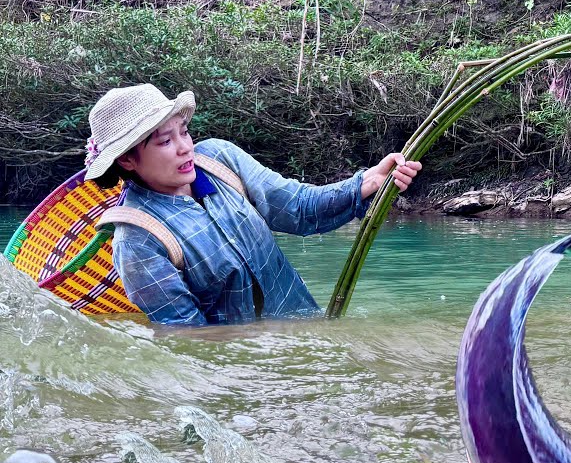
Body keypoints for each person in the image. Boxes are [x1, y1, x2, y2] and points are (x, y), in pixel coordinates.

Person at [82, 83, 422, 326]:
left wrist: (366, 184)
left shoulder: (219, 160)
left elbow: (298, 207)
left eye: (183, 131)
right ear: (127, 160)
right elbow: (188, 340)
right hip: (248, 381)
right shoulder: (138, 241)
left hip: (312, 338)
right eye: (166, 141)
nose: (185, 147)